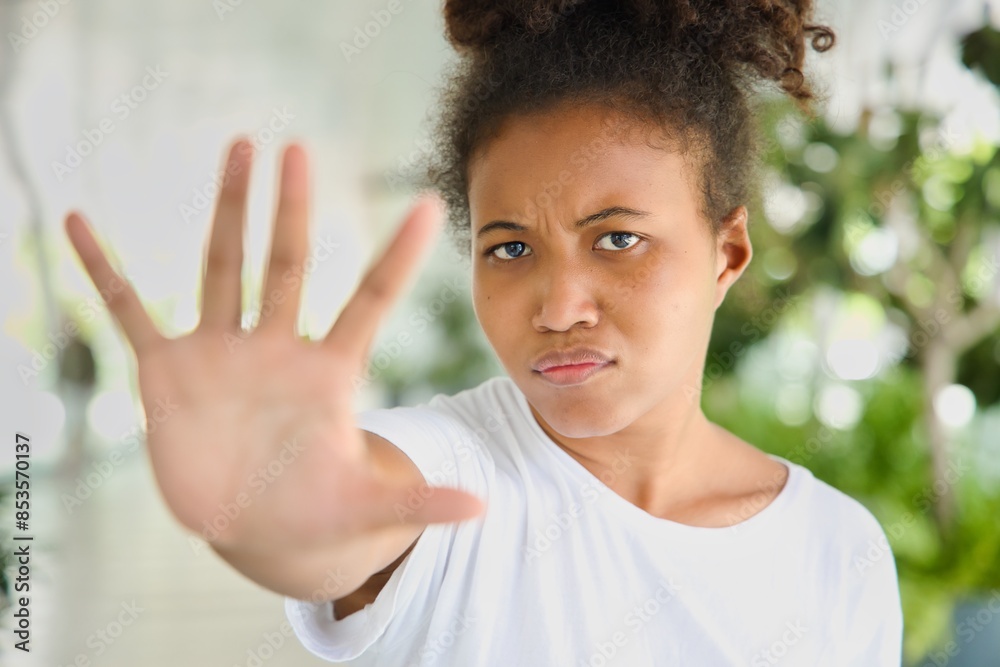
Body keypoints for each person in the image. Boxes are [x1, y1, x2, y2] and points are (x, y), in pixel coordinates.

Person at [63, 0, 904, 664]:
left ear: (726, 252)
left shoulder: (838, 550)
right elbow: (333, 518)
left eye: (618, 238)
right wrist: (263, 497)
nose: (558, 305)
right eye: (510, 247)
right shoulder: (452, 474)